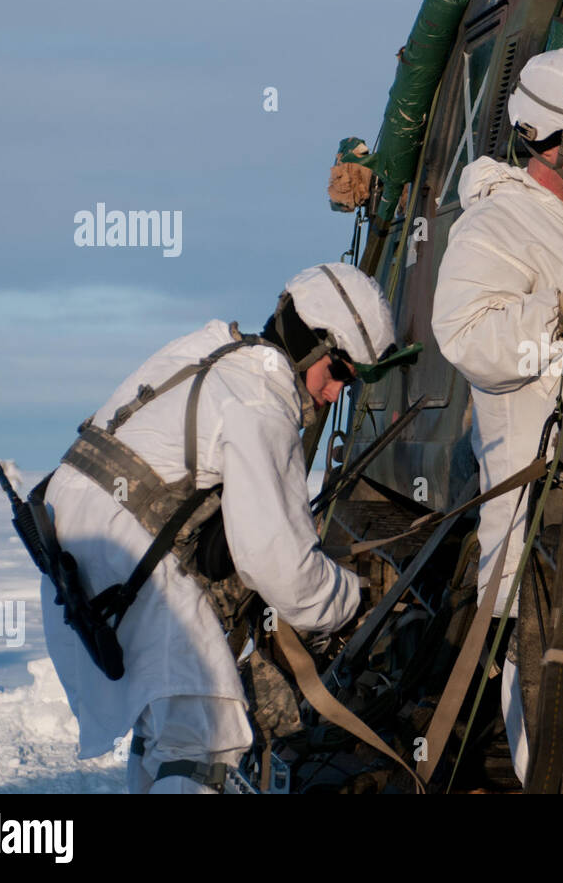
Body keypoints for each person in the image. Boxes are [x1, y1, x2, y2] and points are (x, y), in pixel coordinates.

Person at [40, 262, 409, 793]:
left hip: (87, 555)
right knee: (204, 742)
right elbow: (279, 566)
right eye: (341, 372)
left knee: (167, 727)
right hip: (128, 565)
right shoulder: (262, 402)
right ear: (309, 343)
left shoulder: (219, 351)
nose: (336, 393)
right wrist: (351, 601)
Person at [431, 47, 563, 784]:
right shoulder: (497, 226)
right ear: (552, 139)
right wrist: (557, 315)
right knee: (533, 667)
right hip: (529, 493)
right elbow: (466, 334)